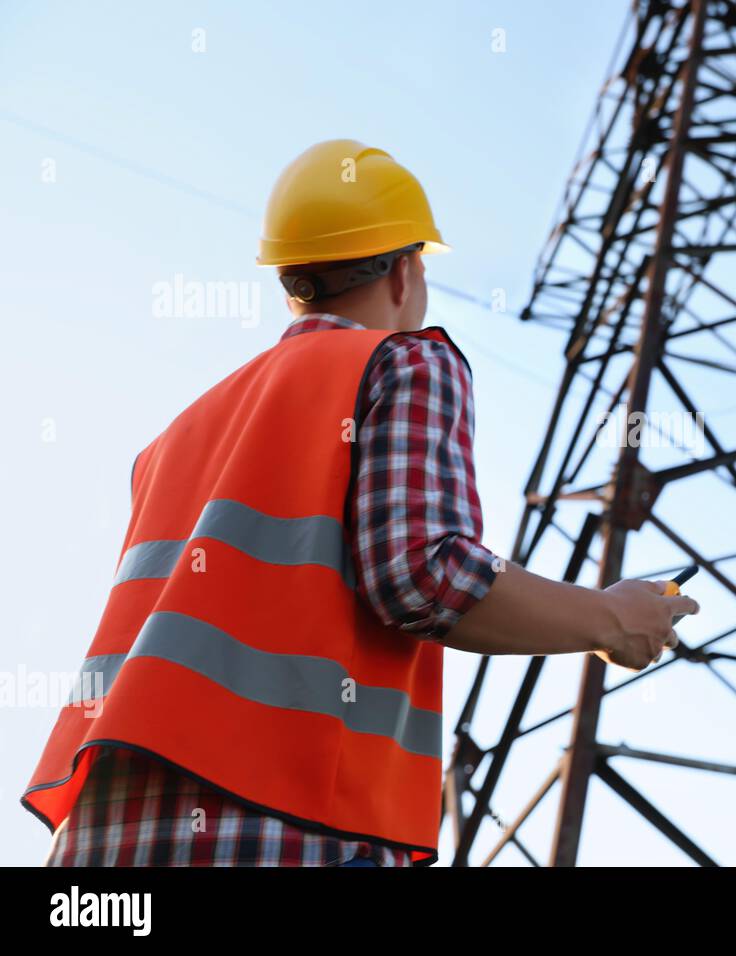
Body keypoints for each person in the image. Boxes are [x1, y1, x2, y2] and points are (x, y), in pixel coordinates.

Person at [22, 139, 699, 867]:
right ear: (406, 271)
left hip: (103, 833)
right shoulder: (405, 360)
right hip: (283, 821)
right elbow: (420, 577)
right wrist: (611, 619)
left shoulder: (176, 436)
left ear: (292, 284)